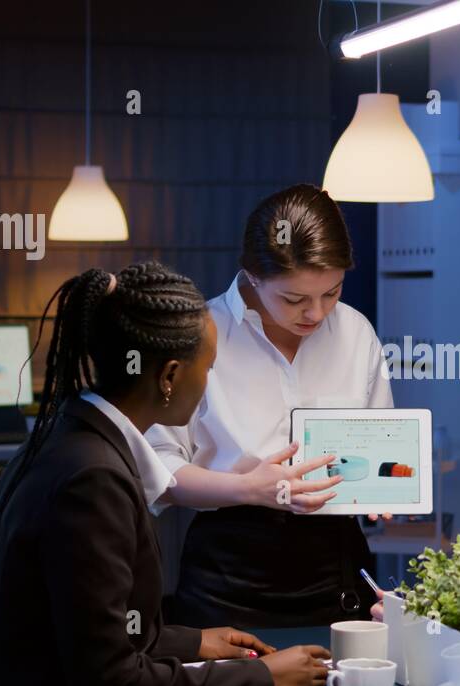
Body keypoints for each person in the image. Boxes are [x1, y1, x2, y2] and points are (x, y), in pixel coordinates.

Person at [0, 262, 330, 686]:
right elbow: (110, 681)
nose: (209, 383)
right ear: (169, 375)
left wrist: (192, 644)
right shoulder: (92, 480)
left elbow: (88, 629)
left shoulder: (68, 435)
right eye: (208, 368)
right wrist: (259, 676)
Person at [148, 184, 391, 629]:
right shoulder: (200, 335)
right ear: (253, 276)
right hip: (229, 572)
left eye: (331, 293)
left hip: (334, 565)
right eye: (294, 299)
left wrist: (380, 485)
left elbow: (377, 441)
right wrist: (249, 488)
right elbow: (158, 471)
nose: (315, 314)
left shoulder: (356, 333)